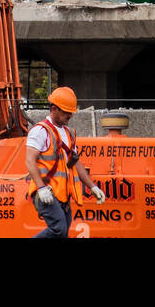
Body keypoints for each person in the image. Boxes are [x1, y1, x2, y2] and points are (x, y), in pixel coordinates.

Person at [26, 86, 105, 238]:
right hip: (46, 192)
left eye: (71, 112)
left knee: (62, 234)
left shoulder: (69, 133)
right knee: (59, 229)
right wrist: (41, 188)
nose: (70, 115)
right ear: (54, 109)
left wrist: (92, 186)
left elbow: (75, 163)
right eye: (66, 111)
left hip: (63, 195)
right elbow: (30, 161)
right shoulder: (40, 131)